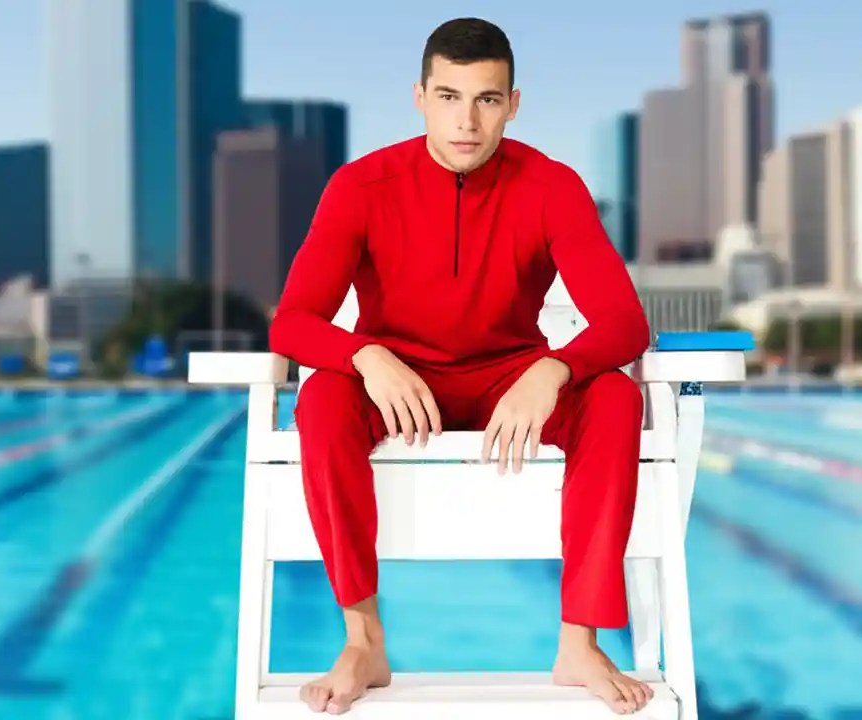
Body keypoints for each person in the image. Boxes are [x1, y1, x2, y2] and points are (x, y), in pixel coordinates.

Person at [268, 16, 655, 717]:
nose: (466, 122)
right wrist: (364, 352)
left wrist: (556, 368)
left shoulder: (551, 185)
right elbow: (292, 322)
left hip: (512, 378)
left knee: (617, 399)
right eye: (449, 97)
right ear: (419, 97)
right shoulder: (360, 185)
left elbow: (625, 322)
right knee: (321, 399)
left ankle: (579, 642)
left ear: (513, 103)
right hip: (396, 382)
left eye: (486, 99)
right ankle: (363, 640)